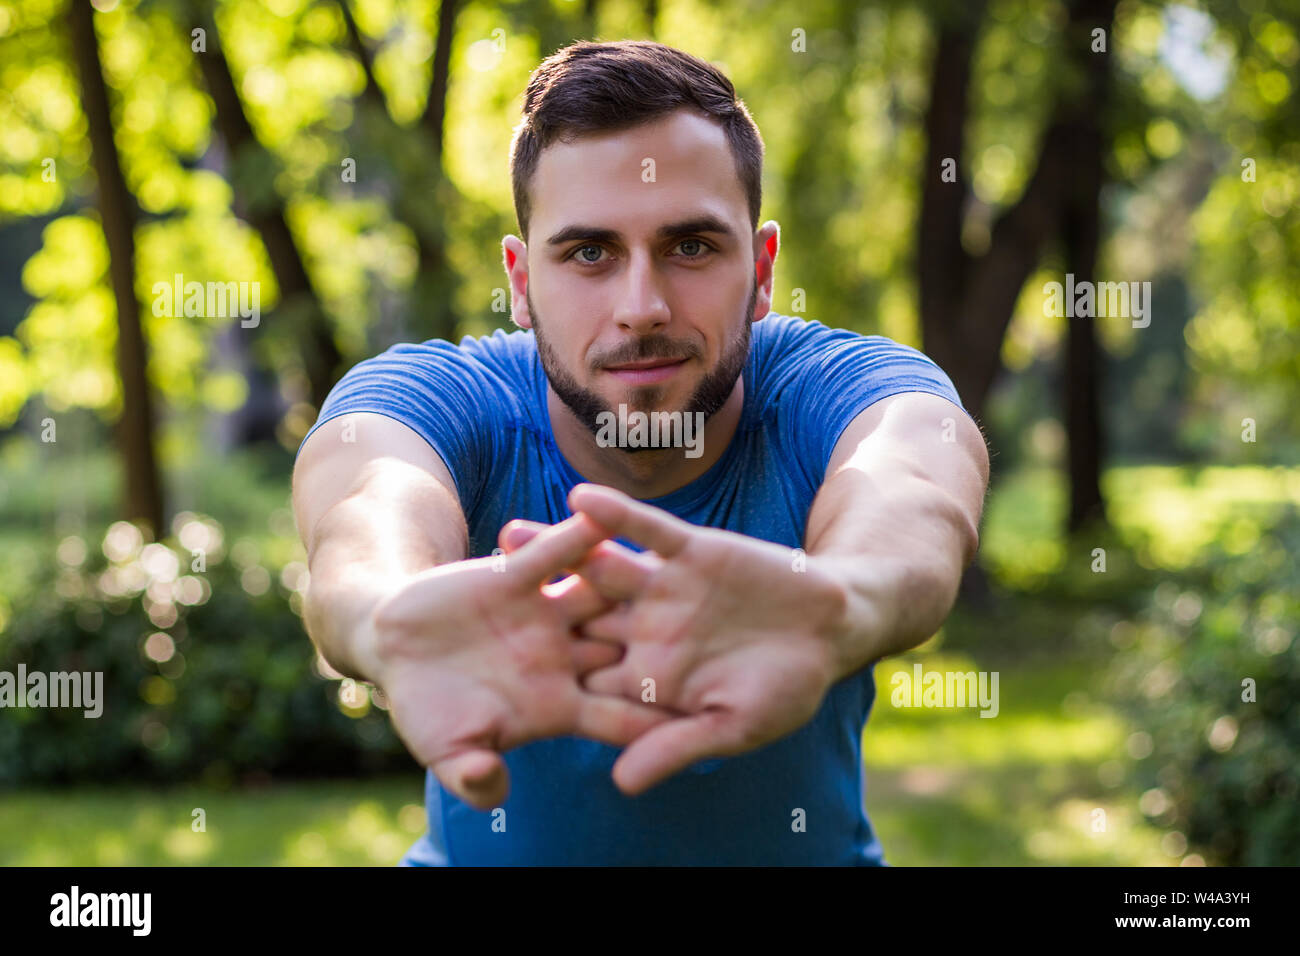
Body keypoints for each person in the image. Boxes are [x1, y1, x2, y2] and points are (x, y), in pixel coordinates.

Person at [291, 39, 989, 865]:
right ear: (519, 281)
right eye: (589, 253)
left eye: (691, 246)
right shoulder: (443, 398)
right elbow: (366, 507)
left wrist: (843, 603)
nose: (642, 307)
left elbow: (912, 487)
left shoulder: (838, 385)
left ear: (762, 270)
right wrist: (382, 620)